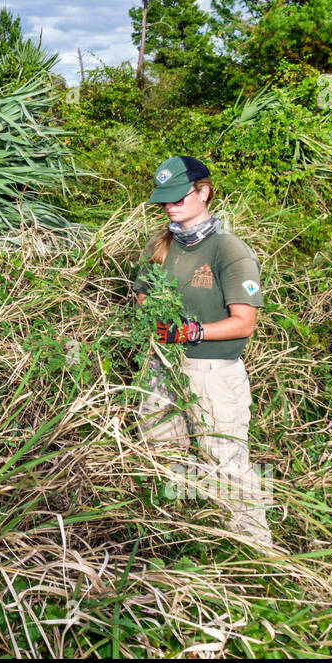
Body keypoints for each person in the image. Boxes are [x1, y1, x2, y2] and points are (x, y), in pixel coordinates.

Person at [131, 155, 273, 548]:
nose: (171, 206)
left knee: (224, 461)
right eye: (165, 199)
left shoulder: (228, 250)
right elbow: (142, 294)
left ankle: (256, 554)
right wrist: (155, 318)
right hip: (162, 365)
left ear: (204, 193)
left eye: (179, 196)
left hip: (212, 371)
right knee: (160, 454)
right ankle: (183, 543)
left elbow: (243, 322)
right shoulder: (160, 246)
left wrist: (189, 331)